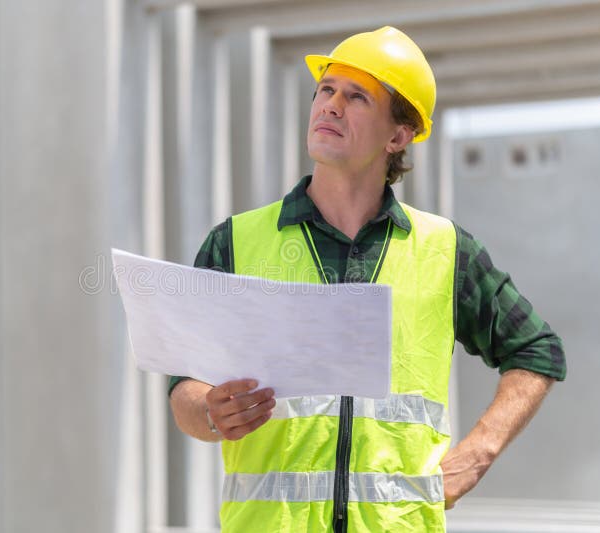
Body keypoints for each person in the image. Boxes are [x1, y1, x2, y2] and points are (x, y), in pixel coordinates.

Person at [168, 26, 565, 532]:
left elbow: (537, 351)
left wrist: (478, 453)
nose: (331, 106)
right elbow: (184, 385)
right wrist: (209, 413)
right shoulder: (236, 242)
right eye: (326, 90)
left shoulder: (445, 250)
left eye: (357, 97)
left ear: (398, 136)